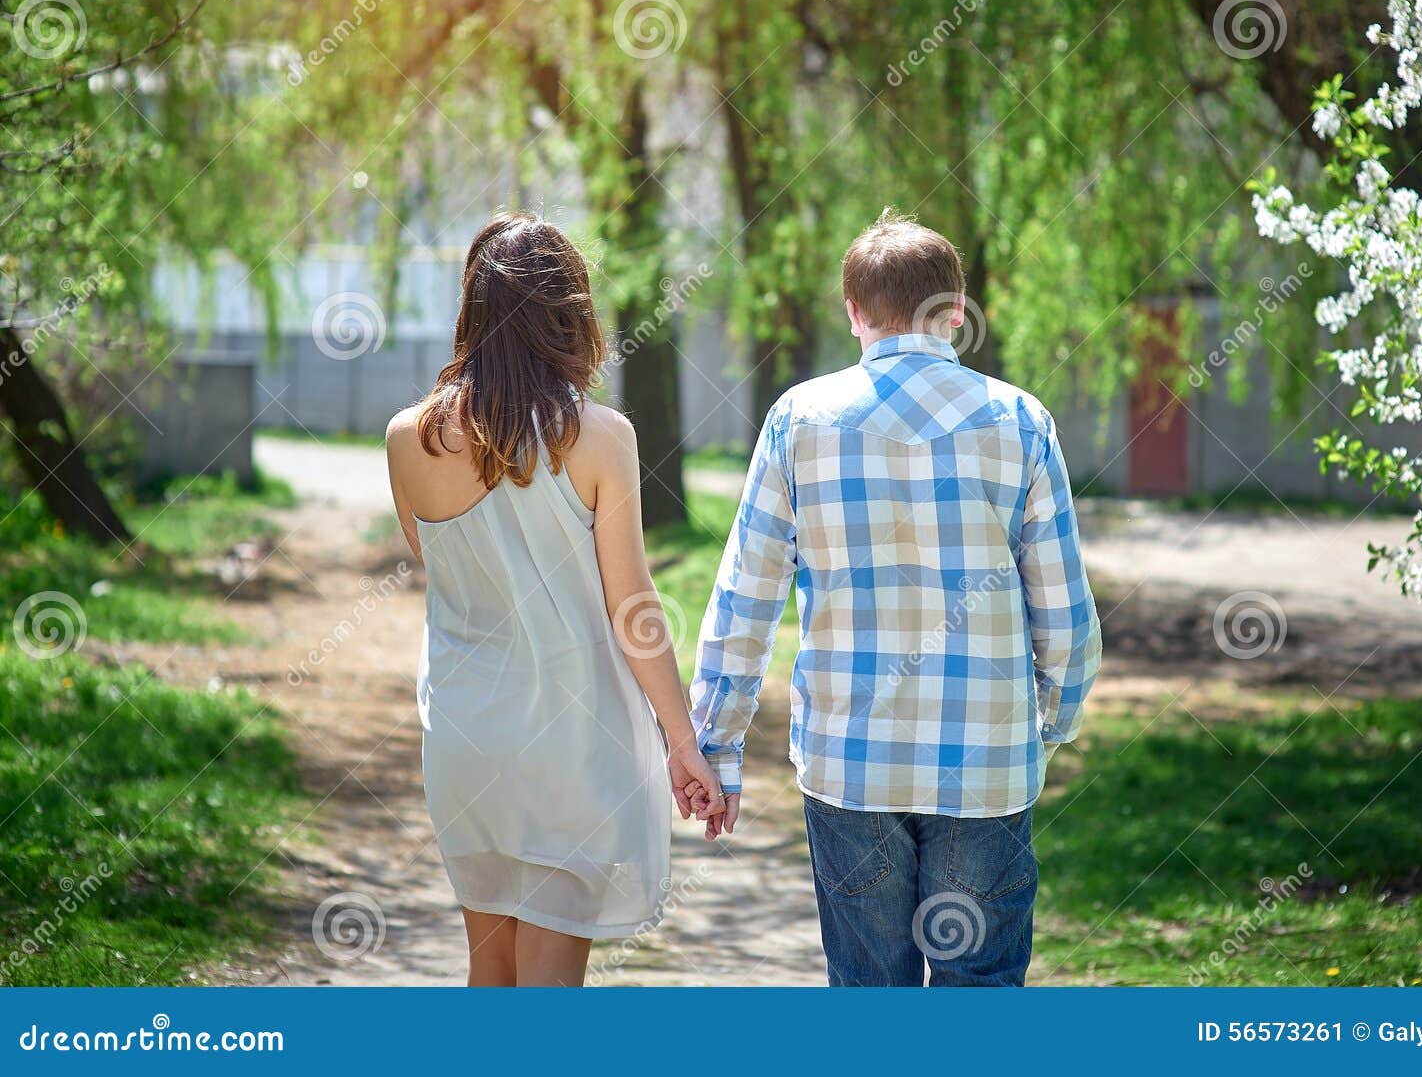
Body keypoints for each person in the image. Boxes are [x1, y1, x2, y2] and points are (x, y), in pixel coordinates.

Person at [689, 210, 1102, 986]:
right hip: (985, 760)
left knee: (868, 991)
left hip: (851, 763)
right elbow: (1067, 613)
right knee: (979, 989)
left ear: (852, 311)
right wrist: (1050, 722)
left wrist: (718, 741)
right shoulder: (1020, 421)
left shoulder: (798, 419)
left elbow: (747, 595)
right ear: (955, 312)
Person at [386, 212, 724, 987]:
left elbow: (446, 572)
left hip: (465, 737)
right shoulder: (599, 435)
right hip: (567, 739)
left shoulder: (407, 437)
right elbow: (632, 605)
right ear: (568, 312)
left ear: (472, 309)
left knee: (491, 974)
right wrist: (682, 740)